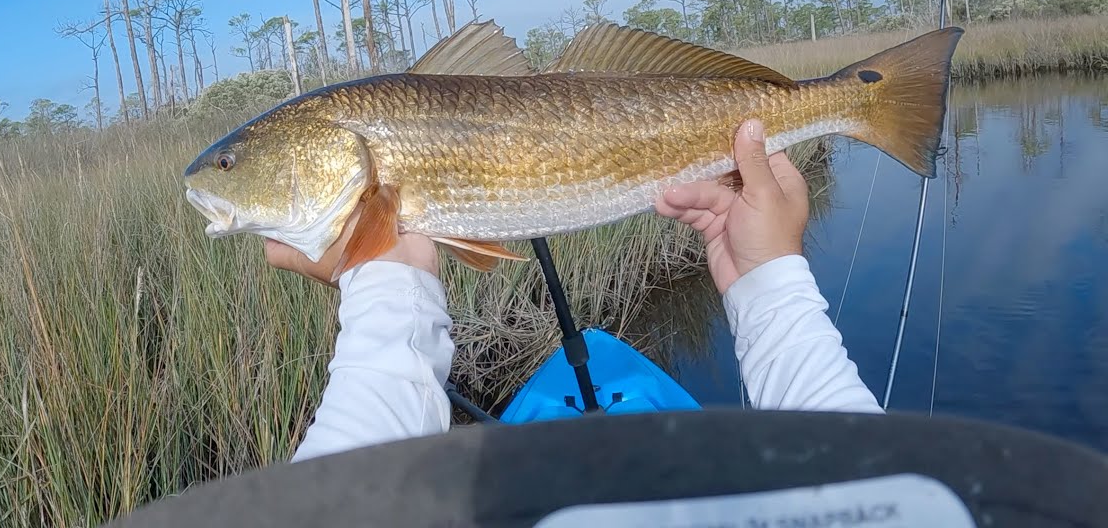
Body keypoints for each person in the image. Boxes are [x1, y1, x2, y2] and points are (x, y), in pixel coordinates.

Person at [267, 119, 882, 463]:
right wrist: (769, 277)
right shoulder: (907, 495)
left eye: (229, 165)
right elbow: (869, 482)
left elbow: (333, 496)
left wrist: (383, 279)